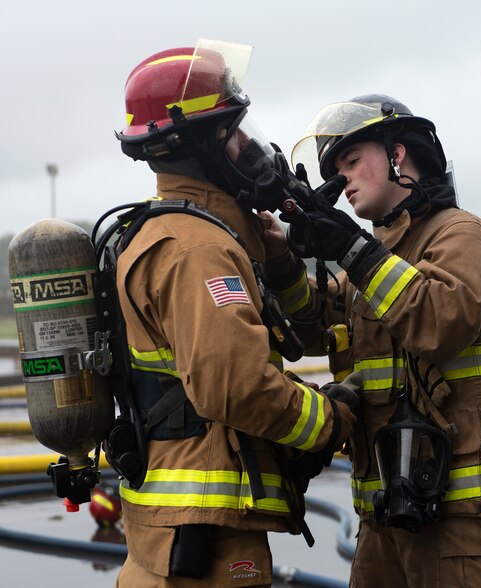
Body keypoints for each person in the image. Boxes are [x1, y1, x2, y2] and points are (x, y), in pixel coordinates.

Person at [261, 94, 481, 587]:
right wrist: (282, 259)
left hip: (466, 526)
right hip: (382, 519)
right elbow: (310, 331)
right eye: (334, 168)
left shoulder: (462, 237)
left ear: (397, 155)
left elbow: (440, 320)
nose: (340, 179)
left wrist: (352, 247)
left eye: (351, 161)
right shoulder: (373, 261)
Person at [111, 41, 358, 587]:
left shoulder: (198, 234)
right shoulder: (197, 251)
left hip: (184, 533)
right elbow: (236, 387)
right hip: (202, 543)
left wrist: (279, 256)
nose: (250, 146)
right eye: (234, 132)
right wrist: (334, 421)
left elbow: (303, 334)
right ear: (201, 144)